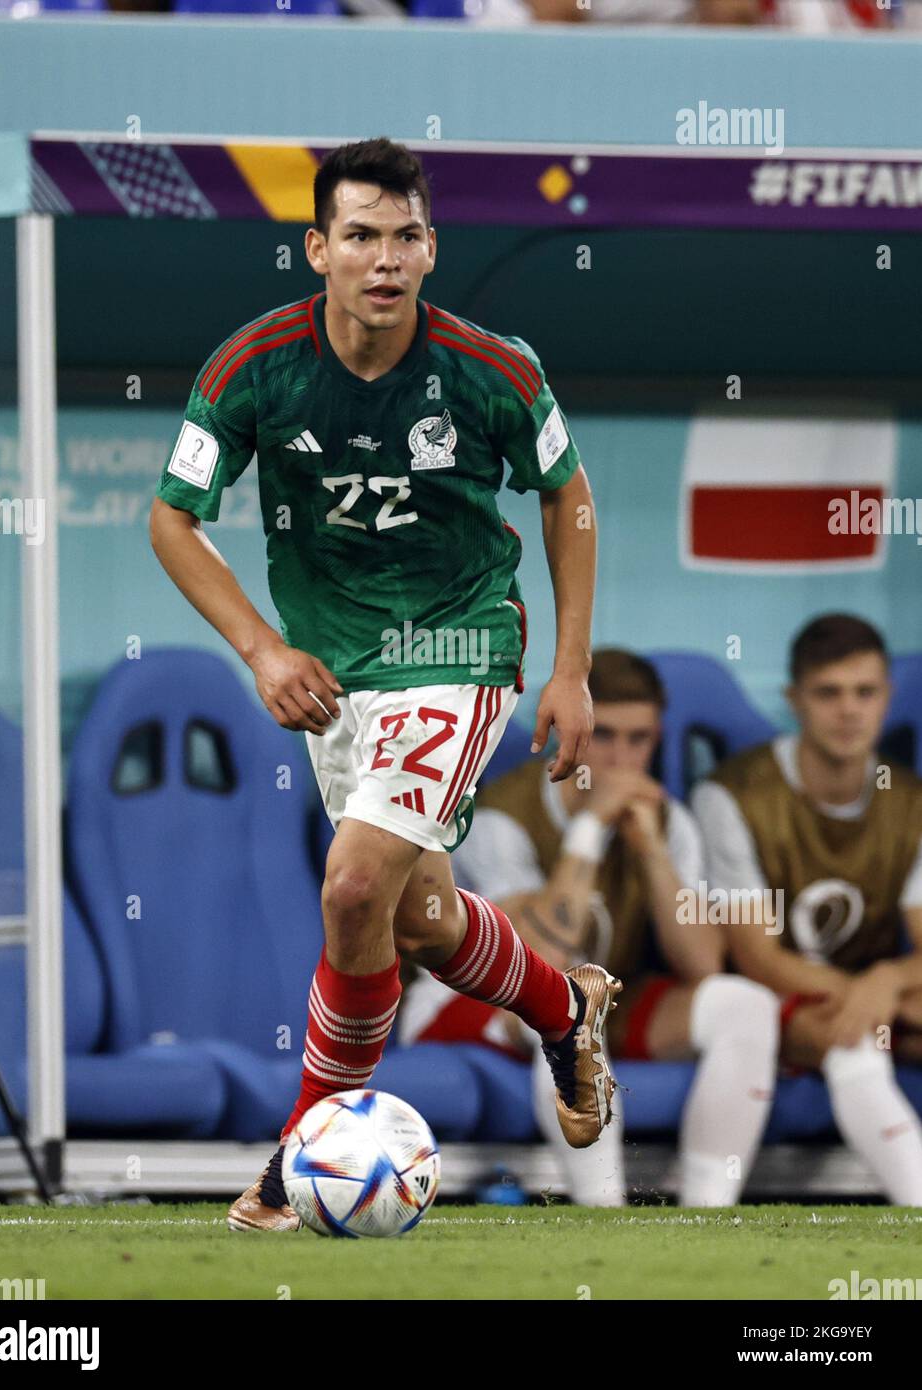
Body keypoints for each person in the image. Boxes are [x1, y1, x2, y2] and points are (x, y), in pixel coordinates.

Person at [149, 137, 620, 1233]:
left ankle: (296, 1154)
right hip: (333, 673)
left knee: (353, 890)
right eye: (358, 235)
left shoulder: (492, 369)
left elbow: (568, 495)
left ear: (430, 248)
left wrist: (567, 667)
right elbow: (173, 519)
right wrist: (264, 649)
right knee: (412, 920)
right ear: (316, 249)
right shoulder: (252, 366)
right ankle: (566, 1006)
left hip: (456, 650)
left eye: (404, 236)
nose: (384, 257)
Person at [400, 648, 780, 1205]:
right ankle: (604, 1211)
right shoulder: (502, 815)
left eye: (640, 739)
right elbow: (542, 961)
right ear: (568, 730)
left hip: (595, 1001)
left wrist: (651, 848)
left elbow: (701, 964)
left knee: (745, 1005)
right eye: (606, 737)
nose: (623, 759)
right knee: (567, 1004)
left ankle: (708, 1214)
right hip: (469, 1005)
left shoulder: (667, 819)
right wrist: (591, 827)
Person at [692, 614, 922, 1204]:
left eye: (865, 692)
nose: (849, 710)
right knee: (849, 1038)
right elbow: (757, 956)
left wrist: (886, 980)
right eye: (828, 693)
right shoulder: (733, 793)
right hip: (773, 1000)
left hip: (878, 998)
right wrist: (868, 997)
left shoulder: (913, 803)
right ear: (794, 699)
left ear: (887, 698)